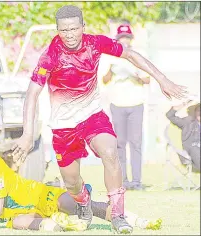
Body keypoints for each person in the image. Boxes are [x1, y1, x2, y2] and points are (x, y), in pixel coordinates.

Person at [11, 5, 187, 234]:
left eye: (74, 29)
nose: (70, 35)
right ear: (57, 31)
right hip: (63, 126)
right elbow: (32, 93)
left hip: (92, 115)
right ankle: (83, 202)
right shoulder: (50, 56)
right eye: (64, 30)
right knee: (72, 181)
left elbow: (130, 54)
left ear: (83, 27)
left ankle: (117, 215)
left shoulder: (95, 43)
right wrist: (27, 134)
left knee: (111, 150)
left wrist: (163, 80)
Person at [0, 139, 162, 232]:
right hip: (17, 212)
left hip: (37, 195)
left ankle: (130, 218)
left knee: (74, 206)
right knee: (19, 223)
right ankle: (60, 225)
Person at [102, 24, 150, 190]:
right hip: (117, 104)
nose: (125, 41)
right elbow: (105, 80)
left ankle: (137, 181)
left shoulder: (138, 56)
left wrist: (137, 74)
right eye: (122, 38)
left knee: (136, 143)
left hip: (136, 104)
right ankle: (123, 181)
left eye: (127, 38)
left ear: (131, 39)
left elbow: (147, 79)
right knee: (120, 143)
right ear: (117, 39)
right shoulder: (111, 56)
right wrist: (111, 69)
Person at [166, 100, 200, 172]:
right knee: (196, 149)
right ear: (195, 112)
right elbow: (169, 115)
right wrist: (183, 104)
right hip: (194, 148)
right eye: (198, 110)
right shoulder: (187, 122)